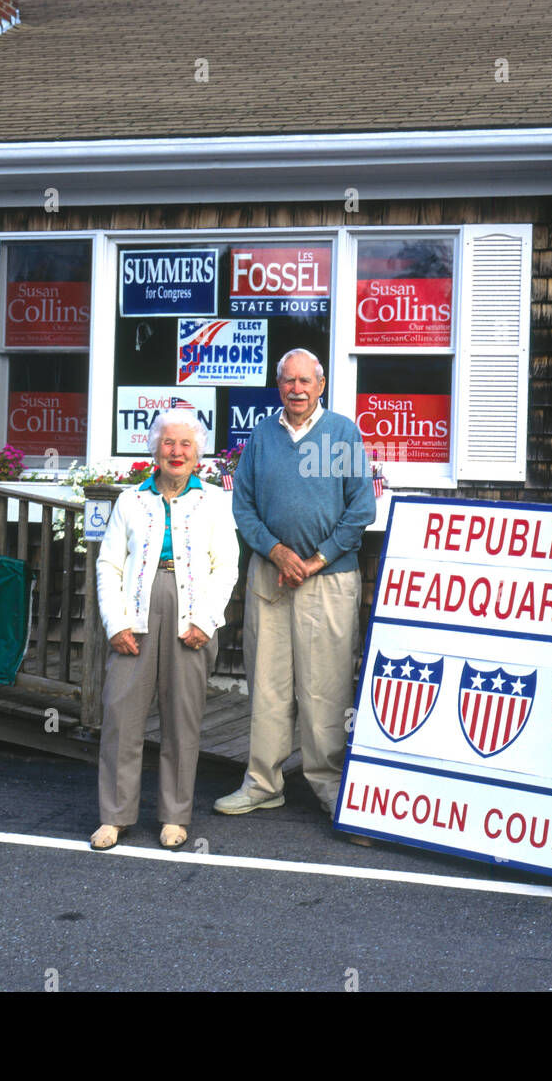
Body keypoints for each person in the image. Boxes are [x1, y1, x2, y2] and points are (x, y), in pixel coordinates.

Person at [214, 348, 376, 822]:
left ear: (321, 385)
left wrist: (316, 558)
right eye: (289, 381)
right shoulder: (263, 435)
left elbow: (360, 509)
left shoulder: (343, 433)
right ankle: (263, 783)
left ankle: (327, 783)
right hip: (270, 576)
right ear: (279, 385)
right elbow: (242, 507)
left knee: (324, 686)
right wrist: (277, 552)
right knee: (267, 684)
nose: (297, 389)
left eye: (306, 381)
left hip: (329, 579)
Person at [91, 408, 239, 851]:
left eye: (186, 444)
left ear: (199, 454)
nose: (177, 452)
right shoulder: (130, 500)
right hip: (136, 609)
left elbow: (226, 566)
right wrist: (115, 622)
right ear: (154, 449)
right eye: (169, 443)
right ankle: (114, 816)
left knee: (182, 719)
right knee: (121, 716)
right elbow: (109, 563)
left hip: (191, 610)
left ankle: (175, 816)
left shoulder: (214, 500)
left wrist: (206, 620)